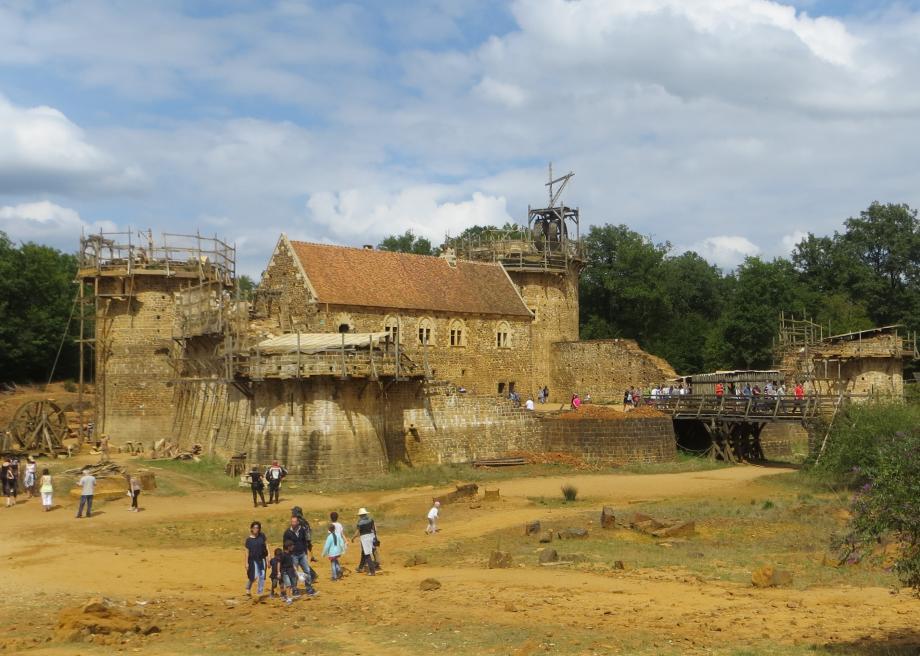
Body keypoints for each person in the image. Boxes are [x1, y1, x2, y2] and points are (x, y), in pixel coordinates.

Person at [282, 514, 317, 595]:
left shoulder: (302, 530)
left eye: (294, 522)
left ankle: (309, 588)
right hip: (293, 555)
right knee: (294, 573)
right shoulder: (287, 533)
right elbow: (285, 545)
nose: (293, 523)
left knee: (307, 571)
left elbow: (305, 541)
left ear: (298, 522)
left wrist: (306, 552)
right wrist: (287, 556)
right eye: (292, 522)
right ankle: (294, 589)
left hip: (302, 554)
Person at [351, 507, 378, 575]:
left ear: (360, 515)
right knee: (365, 552)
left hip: (364, 539)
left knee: (367, 555)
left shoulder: (360, 522)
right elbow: (374, 528)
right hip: (371, 537)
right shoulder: (371, 519)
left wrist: (353, 538)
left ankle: (372, 571)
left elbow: (358, 532)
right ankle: (360, 567)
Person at [244, 520, 268, 597]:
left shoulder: (262, 536)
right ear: (251, 529)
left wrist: (268, 557)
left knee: (262, 575)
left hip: (262, 558)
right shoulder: (248, 540)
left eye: (257, 528)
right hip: (252, 560)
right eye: (254, 528)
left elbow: (266, 547)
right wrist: (246, 562)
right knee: (253, 576)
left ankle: (259, 593)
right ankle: (248, 587)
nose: (256, 529)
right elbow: (246, 551)